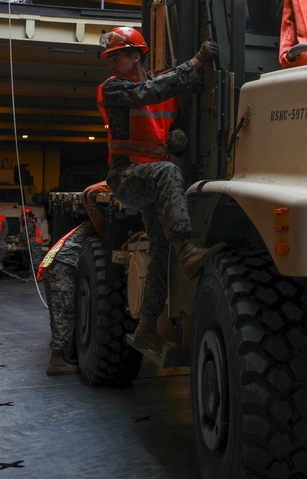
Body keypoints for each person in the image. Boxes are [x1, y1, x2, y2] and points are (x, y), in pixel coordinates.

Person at [96, 26, 226, 355]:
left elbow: (166, 116)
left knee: (159, 252)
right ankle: (188, 252)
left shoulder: (165, 90)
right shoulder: (112, 89)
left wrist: (176, 137)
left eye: (116, 56)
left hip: (150, 177)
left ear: (135, 56)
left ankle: (147, 327)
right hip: (125, 176)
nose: (111, 63)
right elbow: (147, 94)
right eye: (109, 58)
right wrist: (196, 60)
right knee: (168, 171)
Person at [37, 221, 97, 376]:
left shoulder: (84, 226)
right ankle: (56, 362)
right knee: (64, 313)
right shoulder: (96, 224)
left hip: (55, 266)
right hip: (61, 268)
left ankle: (61, 357)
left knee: (58, 313)